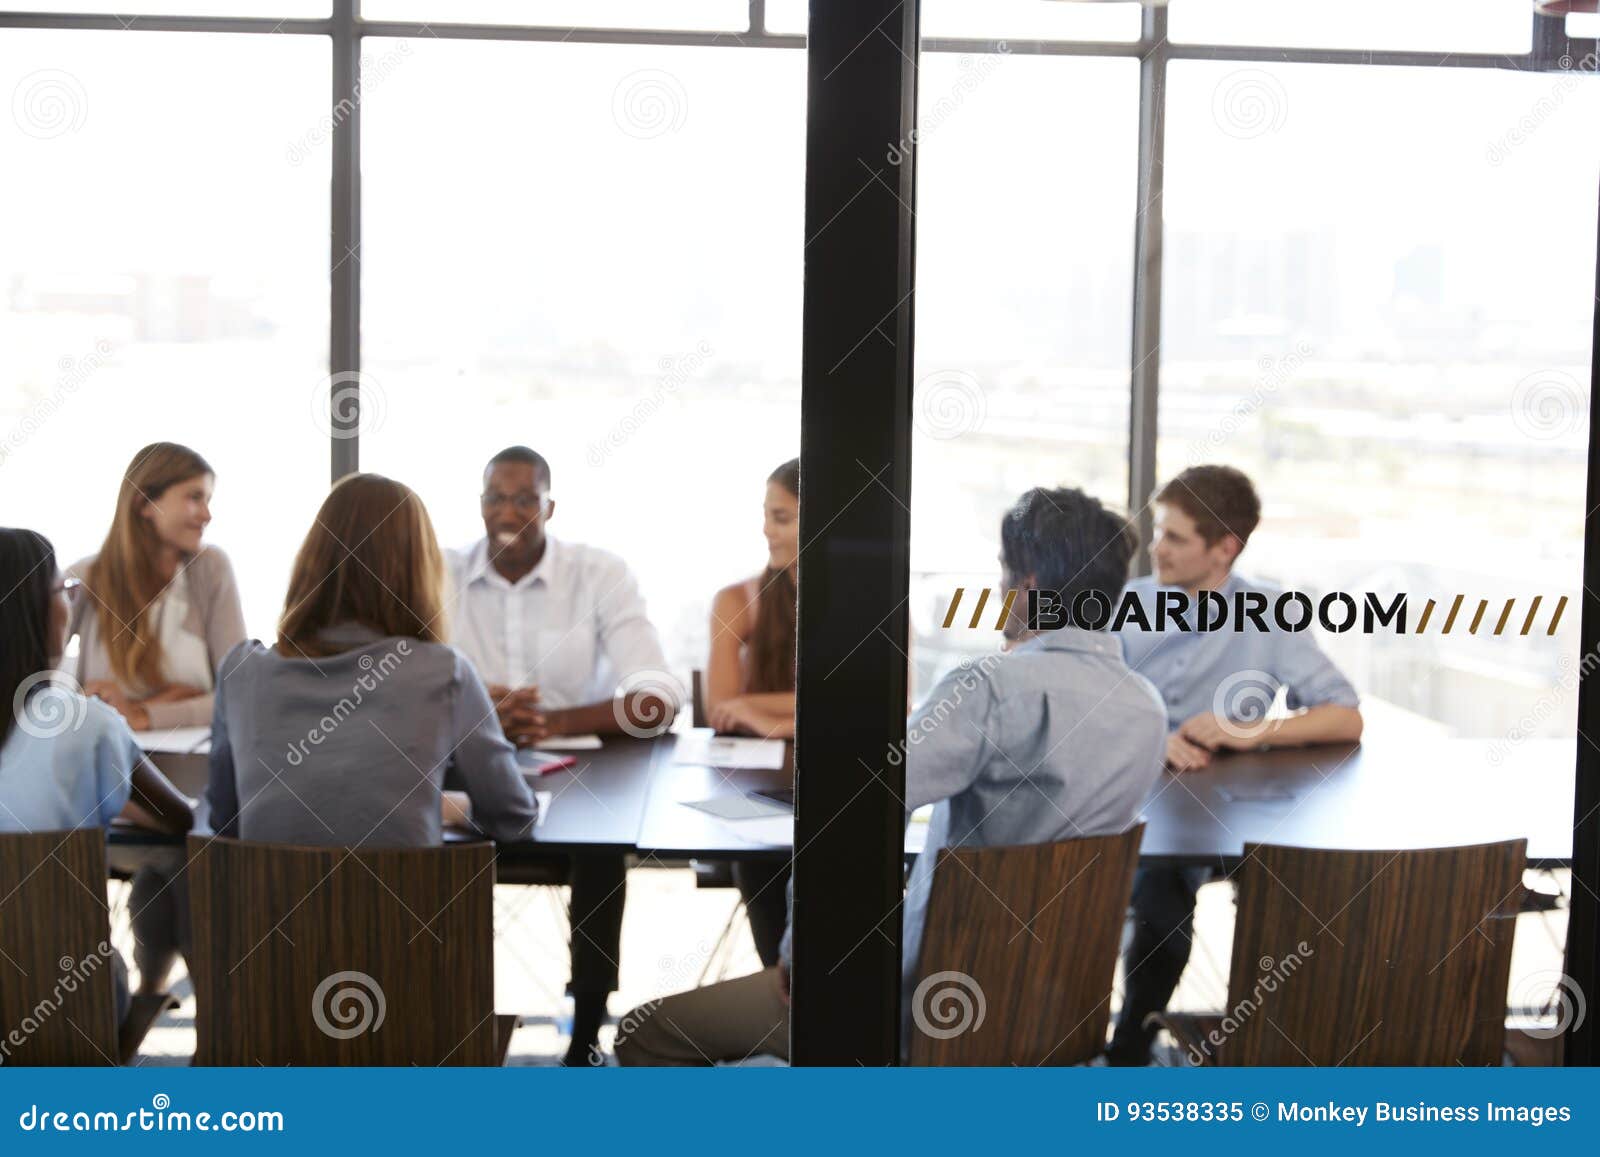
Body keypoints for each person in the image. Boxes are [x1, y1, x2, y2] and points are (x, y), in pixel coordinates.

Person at [614, 486, 1168, 1065]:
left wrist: (803, 949)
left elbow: (854, 817)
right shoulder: (1147, 709)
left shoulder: (989, 690)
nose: (999, 589)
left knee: (644, 1035)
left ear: (1029, 587)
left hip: (912, 1004)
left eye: (1004, 573)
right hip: (1051, 1012)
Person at [1107, 464, 1363, 1066]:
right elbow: (1084, 701)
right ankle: (1127, 1056)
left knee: (1299, 891)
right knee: (1162, 901)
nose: (1158, 549)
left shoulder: (1271, 611)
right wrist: (1151, 735)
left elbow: (1345, 716)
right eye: (1159, 532)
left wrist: (1252, 730)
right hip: (1140, 806)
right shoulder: (1124, 606)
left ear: (1225, 547)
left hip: (1231, 813)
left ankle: (1274, 1052)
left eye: (1175, 537)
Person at [447, 445, 679, 1065]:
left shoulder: (598, 573)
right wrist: (481, 717)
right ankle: (441, 1007)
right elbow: (398, 681)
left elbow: (657, 697)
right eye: (497, 496)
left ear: (550, 506)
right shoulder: (439, 573)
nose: (510, 511)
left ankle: (587, 1029)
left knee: (601, 844)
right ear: (479, 505)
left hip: (576, 775)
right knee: (420, 829)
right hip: (467, 767)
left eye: (526, 498)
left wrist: (552, 719)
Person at [206, 473, 539, 849]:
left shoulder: (241, 671)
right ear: (420, 567)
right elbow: (514, 819)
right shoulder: (444, 672)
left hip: (267, 907)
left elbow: (223, 821)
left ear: (311, 556)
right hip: (410, 907)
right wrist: (446, 808)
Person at [0, 527, 195, 1022]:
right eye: (63, 591)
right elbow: (178, 820)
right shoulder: (85, 723)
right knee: (174, 868)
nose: (70, 604)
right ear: (36, 611)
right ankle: (156, 1000)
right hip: (67, 1005)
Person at [65, 442, 247, 731]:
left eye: (208, 500)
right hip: (107, 761)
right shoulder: (85, 577)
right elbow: (30, 684)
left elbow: (241, 694)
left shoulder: (211, 569)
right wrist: (83, 702)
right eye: (194, 498)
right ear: (145, 504)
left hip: (191, 763)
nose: (207, 515)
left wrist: (141, 713)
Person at [705, 458, 798, 966]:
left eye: (781, 518)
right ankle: (780, 986)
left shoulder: (878, 607)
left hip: (840, 780)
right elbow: (719, 706)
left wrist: (759, 715)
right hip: (754, 794)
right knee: (762, 854)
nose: (766, 530)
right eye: (766, 515)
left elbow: (889, 710)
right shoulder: (737, 600)